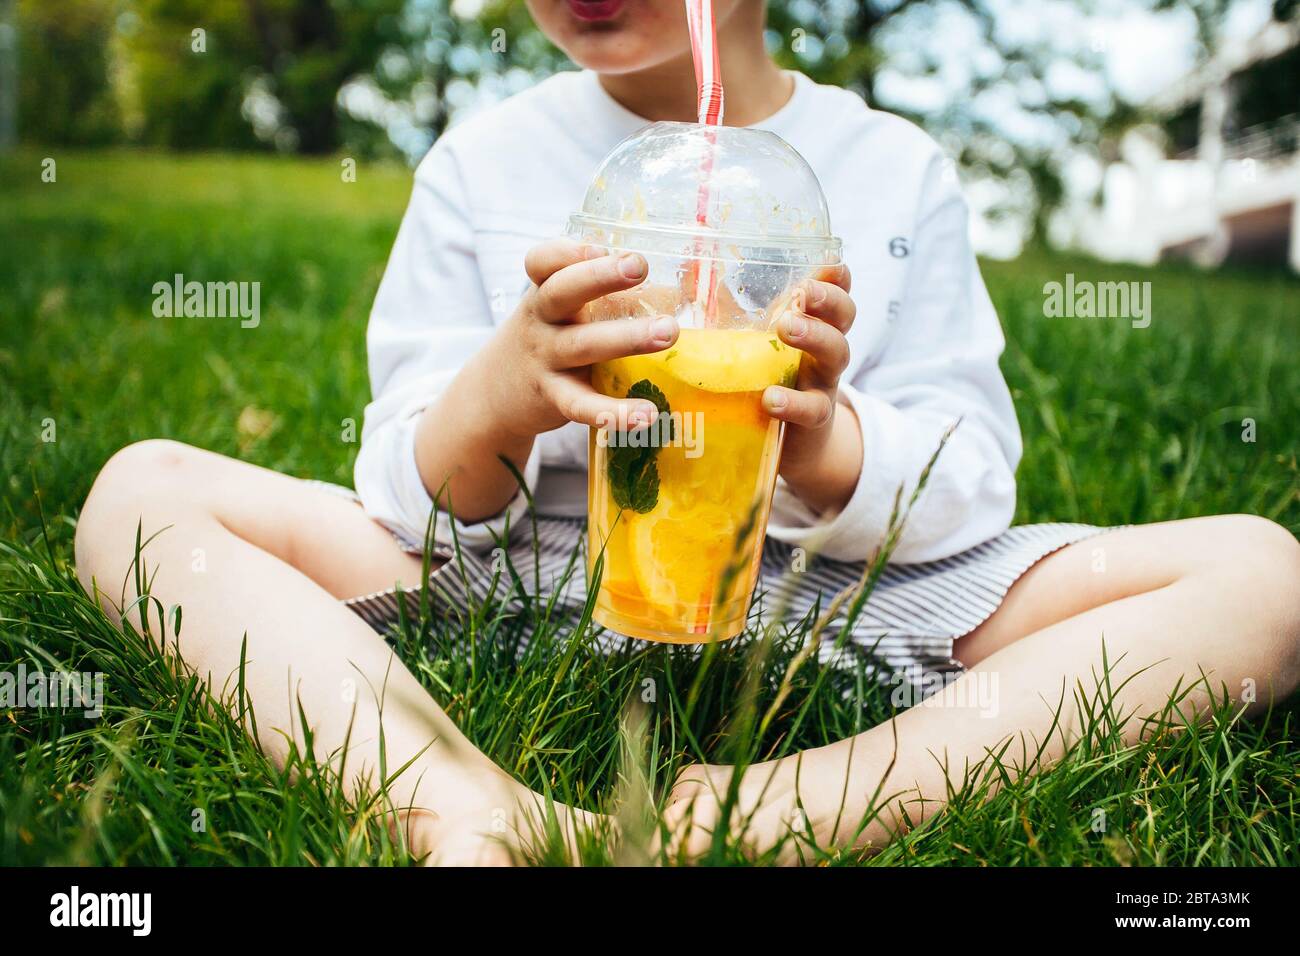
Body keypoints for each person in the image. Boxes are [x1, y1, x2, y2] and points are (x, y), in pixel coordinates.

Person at [73, 0, 1300, 865]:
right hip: (514, 576)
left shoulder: (892, 167)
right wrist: (504, 387)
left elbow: (969, 474)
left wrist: (823, 445)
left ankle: (783, 806)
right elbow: (408, 489)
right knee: (141, 493)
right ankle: (461, 801)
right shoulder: (479, 163)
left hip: (824, 595)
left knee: (1265, 574)